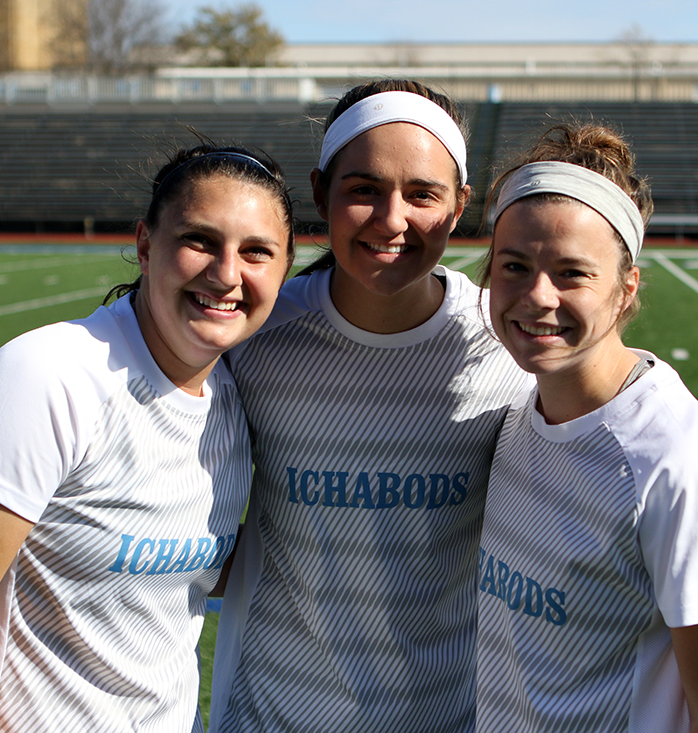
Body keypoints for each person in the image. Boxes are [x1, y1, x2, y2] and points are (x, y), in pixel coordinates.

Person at [0, 144, 295, 733]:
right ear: (145, 246)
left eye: (256, 252)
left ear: (284, 270)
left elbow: (181, 561)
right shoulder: (48, 375)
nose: (227, 273)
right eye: (199, 240)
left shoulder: (231, 395)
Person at [209, 80, 531, 733]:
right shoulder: (253, 334)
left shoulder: (507, 344)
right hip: (273, 714)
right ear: (321, 192)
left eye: (422, 194)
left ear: (460, 205)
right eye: (364, 189)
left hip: (447, 715)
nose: (391, 219)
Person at [475, 123, 698, 733]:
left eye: (572, 273)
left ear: (626, 289)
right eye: (515, 266)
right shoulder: (520, 412)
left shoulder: (677, 467)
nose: (538, 296)